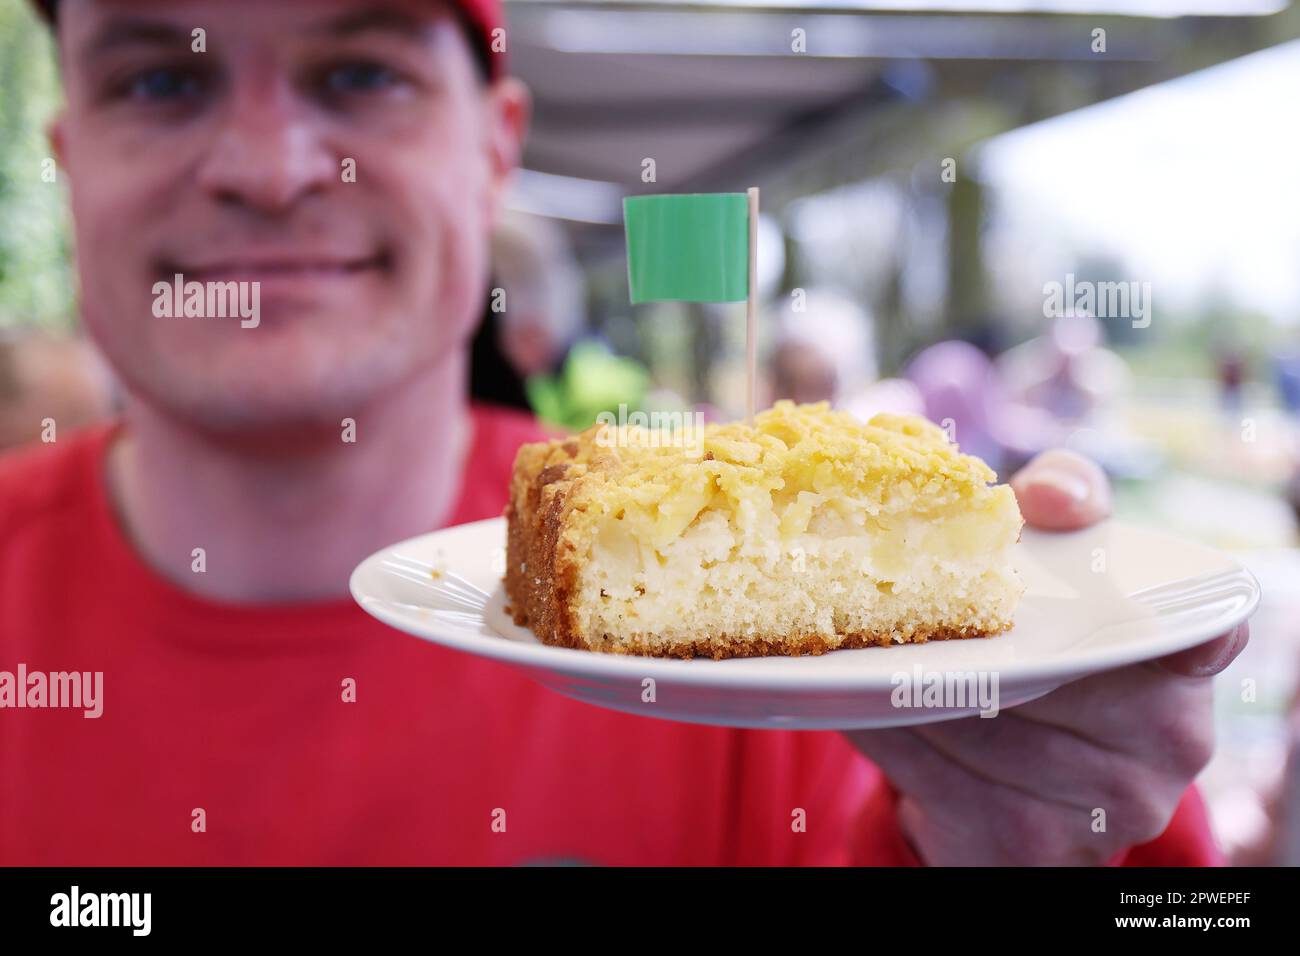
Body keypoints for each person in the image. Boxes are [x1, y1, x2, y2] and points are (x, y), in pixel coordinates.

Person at [0, 0, 1248, 865]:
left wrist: (1057, 821)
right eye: (159, 77)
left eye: (359, 71)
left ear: (495, 154)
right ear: (68, 159)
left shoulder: (819, 702)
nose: (268, 166)